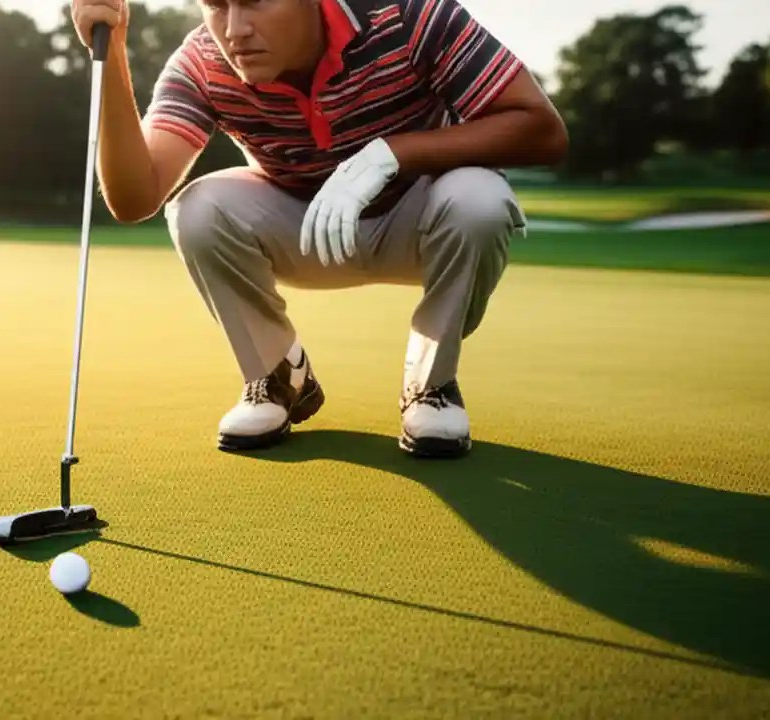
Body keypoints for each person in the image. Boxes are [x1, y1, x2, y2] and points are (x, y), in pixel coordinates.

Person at [70, 0, 568, 457]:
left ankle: (431, 385)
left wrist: (393, 154)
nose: (235, 30)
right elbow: (135, 198)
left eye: (255, 2)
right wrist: (112, 51)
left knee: (480, 199)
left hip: (420, 219)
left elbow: (541, 130)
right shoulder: (203, 61)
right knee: (197, 208)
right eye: (217, 5)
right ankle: (278, 377)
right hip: (301, 227)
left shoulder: (412, 16)